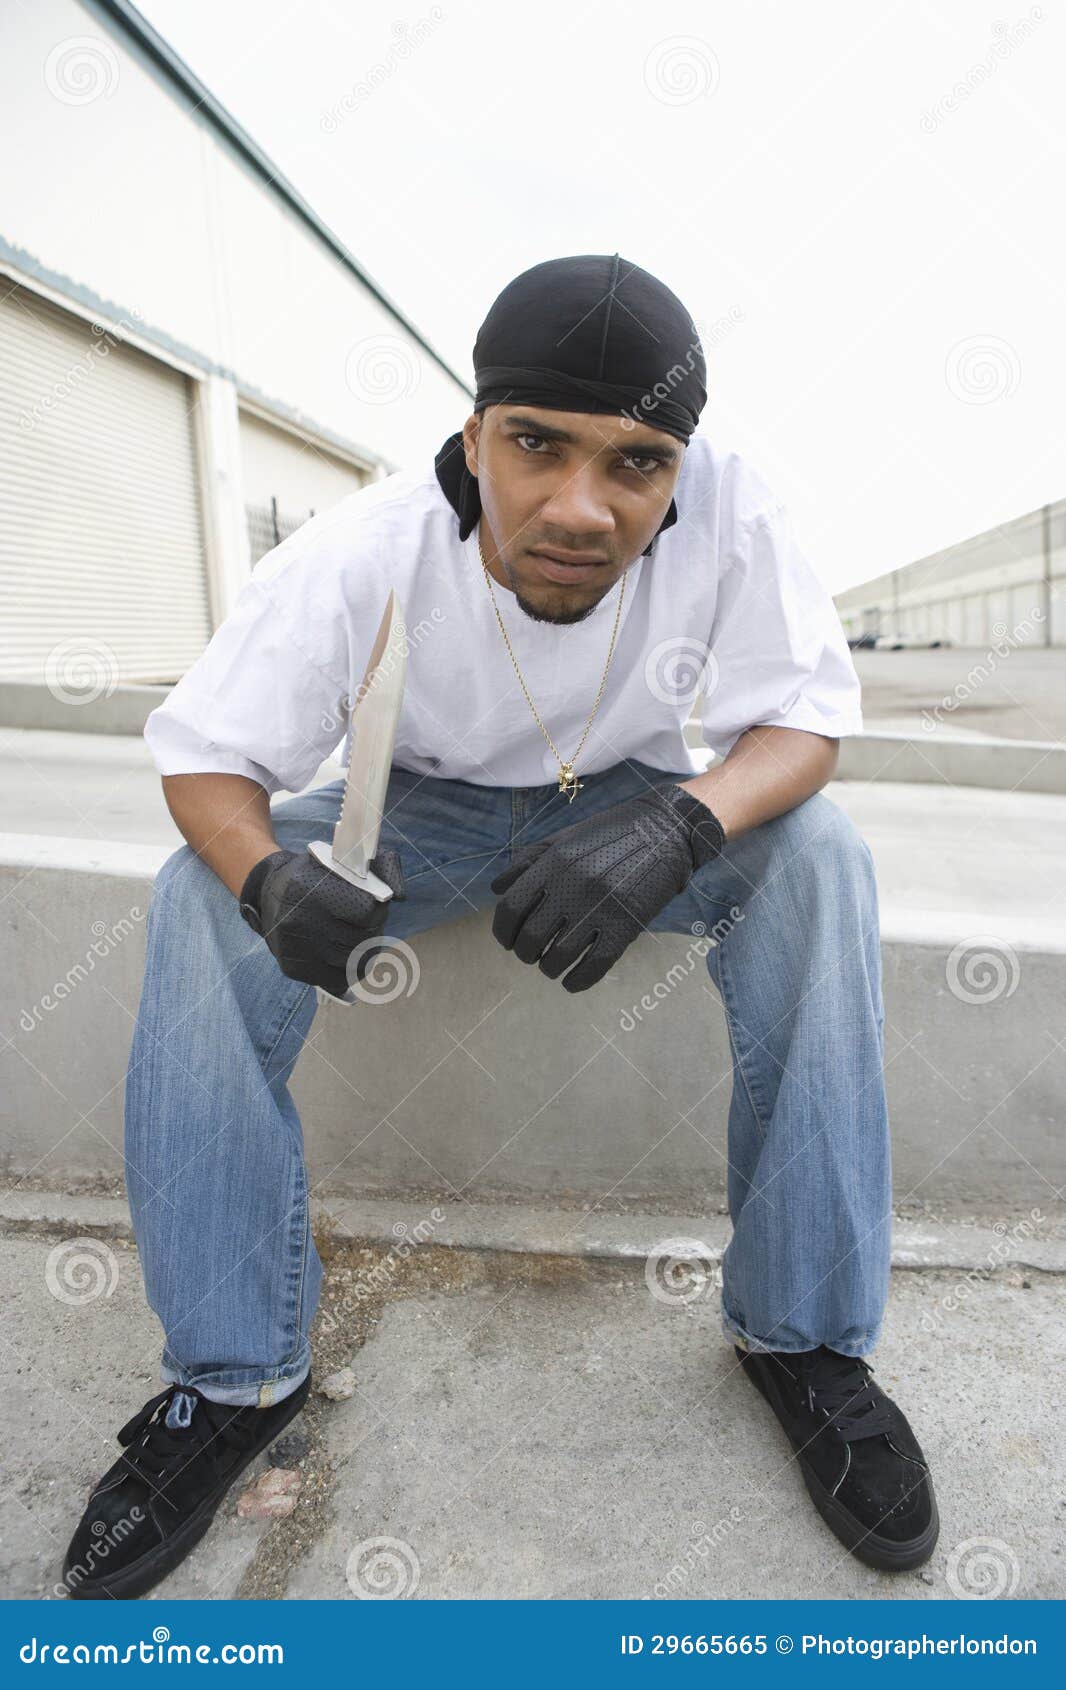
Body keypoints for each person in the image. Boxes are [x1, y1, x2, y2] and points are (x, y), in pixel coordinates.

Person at [62, 253, 937, 1600]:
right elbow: (205, 760)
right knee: (199, 895)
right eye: (536, 444)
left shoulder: (733, 513)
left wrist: (681, 827)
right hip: (420, 809)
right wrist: (268, 883)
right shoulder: (365, 548)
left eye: (634, 464)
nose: (581, 506)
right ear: (474, 439)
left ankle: (804, 1344)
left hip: (632, 807)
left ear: (676, 471)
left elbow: (805, 718)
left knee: (819, 858)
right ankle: (233, 1378)